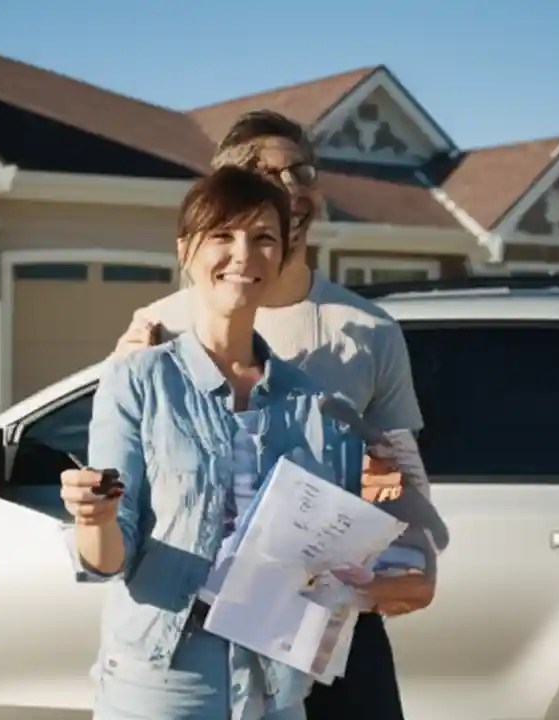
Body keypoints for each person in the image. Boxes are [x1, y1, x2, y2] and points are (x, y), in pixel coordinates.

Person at [103, 110, 439, 719]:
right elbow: (121, 468)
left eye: (300, 172)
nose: (289, 189)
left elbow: (400, 483)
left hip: (322, 616)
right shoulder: (161, 325)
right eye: (263, 174)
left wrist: (414, 558)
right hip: (194, 640)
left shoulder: (369, 329)